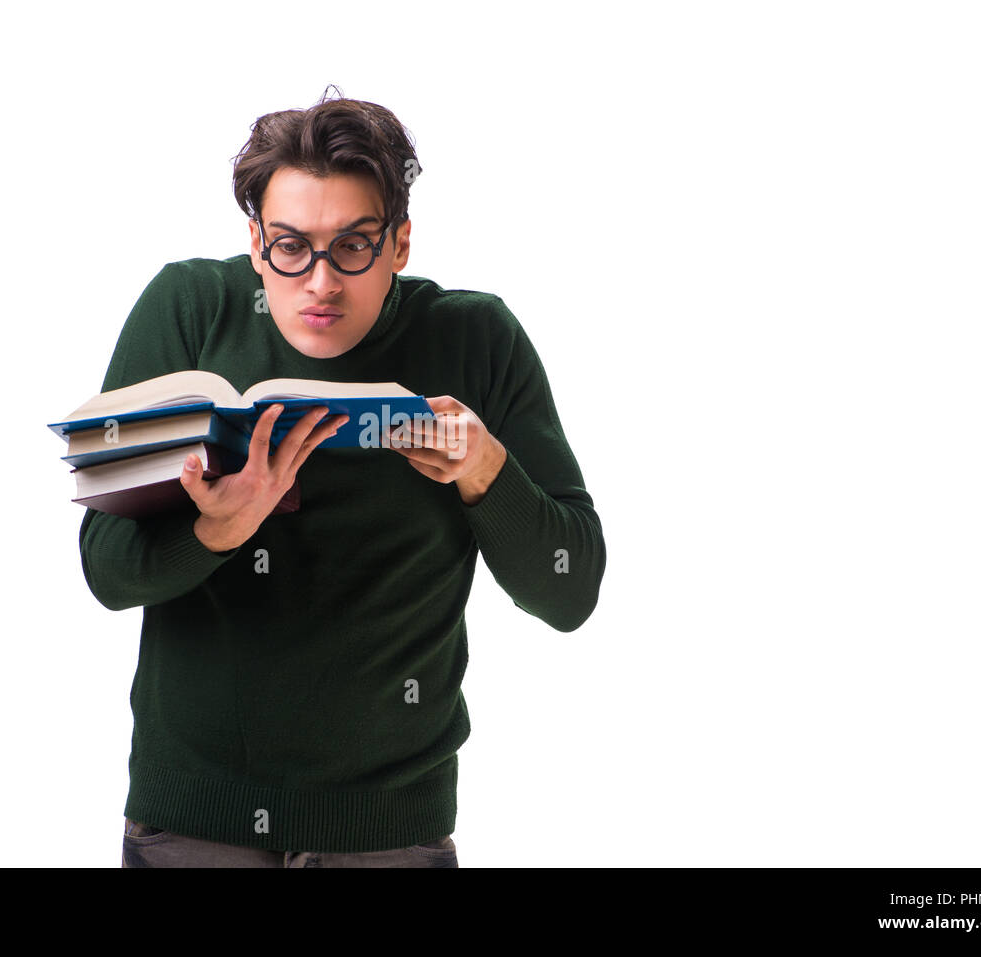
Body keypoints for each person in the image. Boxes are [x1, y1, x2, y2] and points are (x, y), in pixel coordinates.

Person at [79, 93, 607, 867]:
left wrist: (488, 473)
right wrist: (217, 532)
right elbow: (106, 571)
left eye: (353, 246)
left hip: (388, 833)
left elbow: (569, 590)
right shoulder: (189, 309)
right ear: (256, 244)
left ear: (400, 244)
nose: (320, 281)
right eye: (291, 246)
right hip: (194, 822)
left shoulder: (476, 337)